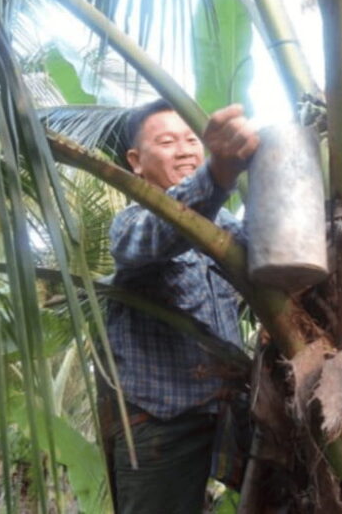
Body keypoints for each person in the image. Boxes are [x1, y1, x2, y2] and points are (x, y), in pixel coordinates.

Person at [99, 98, 259, 514]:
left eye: (192, 139)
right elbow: (162, 232)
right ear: (136, 161)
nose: (186, 149)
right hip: (161, 424)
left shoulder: (227, 227)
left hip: (232, 415)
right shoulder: (132, 224)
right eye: (167, 141)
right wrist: (219, 174)